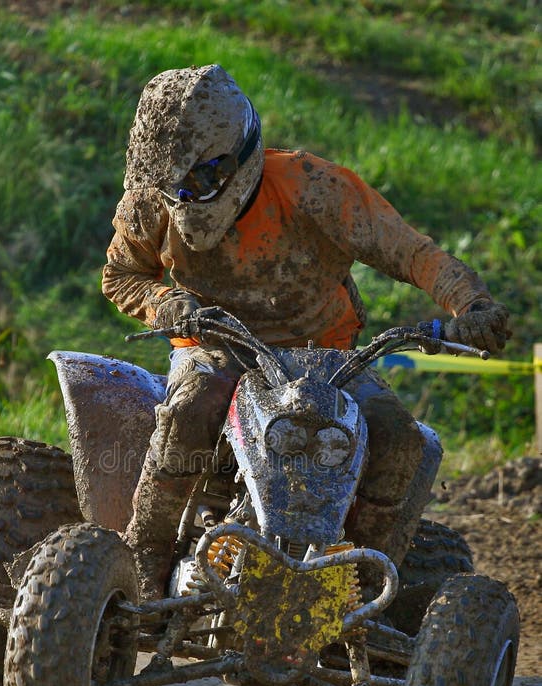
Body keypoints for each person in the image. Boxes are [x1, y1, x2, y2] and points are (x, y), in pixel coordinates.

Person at [102, 64, 510, 601]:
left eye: (198, 180)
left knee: (400, 443)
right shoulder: (154, 197)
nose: (184, 196)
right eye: (173, 184)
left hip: (326, 355)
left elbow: (413, 252)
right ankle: (145, 555)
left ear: (237, 156)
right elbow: (121, 274)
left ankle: (361, 585)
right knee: (189, 411)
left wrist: (471, 302)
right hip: (216, 345)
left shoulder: (313, 187)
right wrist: (166, 301)